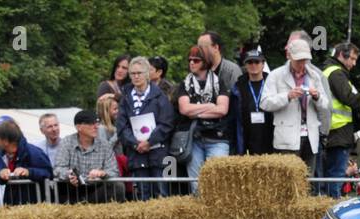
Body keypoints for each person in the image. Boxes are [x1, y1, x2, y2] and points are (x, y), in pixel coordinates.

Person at [263, 38, 329, 175]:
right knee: (287, 181)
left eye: (305, 59)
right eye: (299, 60)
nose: (302, 63)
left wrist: (316, 96)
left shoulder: (314, 76)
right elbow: (265, 103)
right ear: (289, 56)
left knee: (307, 181)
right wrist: (287, 96)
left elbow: (325, 104)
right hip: (286, 136)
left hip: (310, 137)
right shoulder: (275, 75)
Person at [116, 56, 174, 200]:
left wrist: (150, 141)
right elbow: (122, 127)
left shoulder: (160, 97)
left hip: (159, 154)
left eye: (139, 73)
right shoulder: (125, 98)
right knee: (142, 197)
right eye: (132, 74)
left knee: (162, 196)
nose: (136, 77)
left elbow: (167, 123)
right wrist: (136, 143)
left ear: (147, 73)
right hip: (136, 155)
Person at [322, 42, 360, 198]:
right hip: (338, 130)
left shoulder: (330, 70)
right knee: (336, 177)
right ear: (341, 55)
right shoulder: (336, 73)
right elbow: (349, 99)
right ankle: (334, 208)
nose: (354, 63)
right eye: (352, 59)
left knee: (333, 175)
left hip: (335, 131)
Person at [177, 47, 230, 189]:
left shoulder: (219, 82)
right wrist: (210, 106)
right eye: (190, 60)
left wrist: (196, 113)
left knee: (218, 182)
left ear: (205, 62)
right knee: (196, 185)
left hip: (217, 137)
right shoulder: (185, 84)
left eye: (196, 60)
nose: (192, 63)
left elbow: (222, 109)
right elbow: (184, 109)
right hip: (194, 139)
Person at [53, 109, 119, 203]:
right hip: (72, 189)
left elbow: (114, 171)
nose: (96, 127)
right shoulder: (66, 142)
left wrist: (102, 173)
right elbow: (58, 169)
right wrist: (69, 175)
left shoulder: (105, 145)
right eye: (91, 124)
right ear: (78, 127)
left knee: (118, 186)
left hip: (96, 190)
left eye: (97, 123)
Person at [0, 118, 53, 205]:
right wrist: (0, 172)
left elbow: (48, 173)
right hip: (11, 204)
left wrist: (28, 172)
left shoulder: (34, 153)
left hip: (34, 207)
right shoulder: (1, 154)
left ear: (5, 141)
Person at [231, 48, 274, 156]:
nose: (253, 65)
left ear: (263, 64)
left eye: (257, 62)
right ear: (245, 65)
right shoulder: (238, 86)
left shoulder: (272, 83)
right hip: (246, 133)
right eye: (250, 62)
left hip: (269, 132)